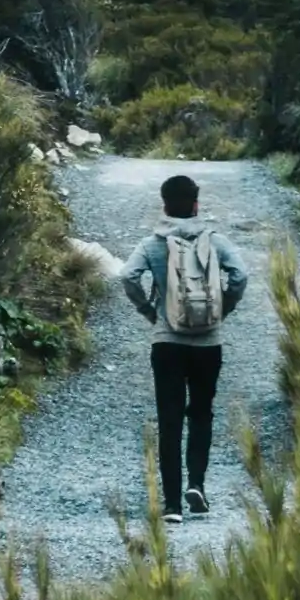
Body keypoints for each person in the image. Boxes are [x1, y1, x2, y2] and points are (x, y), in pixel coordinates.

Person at [120, 172, 248, 522]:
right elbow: (240, 276)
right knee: (202, 413)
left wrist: (149, 311)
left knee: (170, 418)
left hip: (168, 342)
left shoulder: (152, 243)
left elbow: (127, 276)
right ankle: (198, 485)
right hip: (208, 343)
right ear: (196, 204)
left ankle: (173, 505)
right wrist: (223, 309)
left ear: (164, 204)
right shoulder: (216, 241)